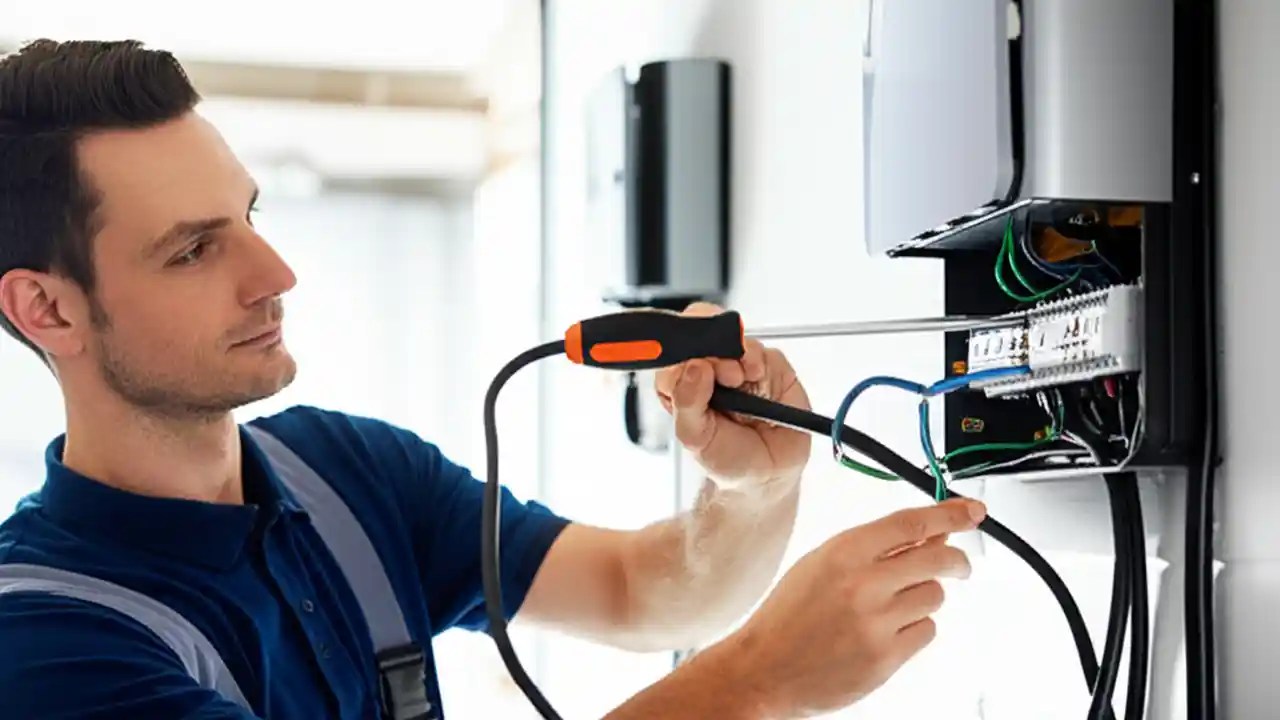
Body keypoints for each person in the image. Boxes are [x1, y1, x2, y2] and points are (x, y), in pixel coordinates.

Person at [0, 39, 984, 720]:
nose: (276, 277)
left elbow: (650, 596)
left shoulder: (349, 474)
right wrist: (759, 679)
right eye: (193, 251)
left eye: (251, 216)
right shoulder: (44, 646)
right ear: (47, 309)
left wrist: (753, 485)